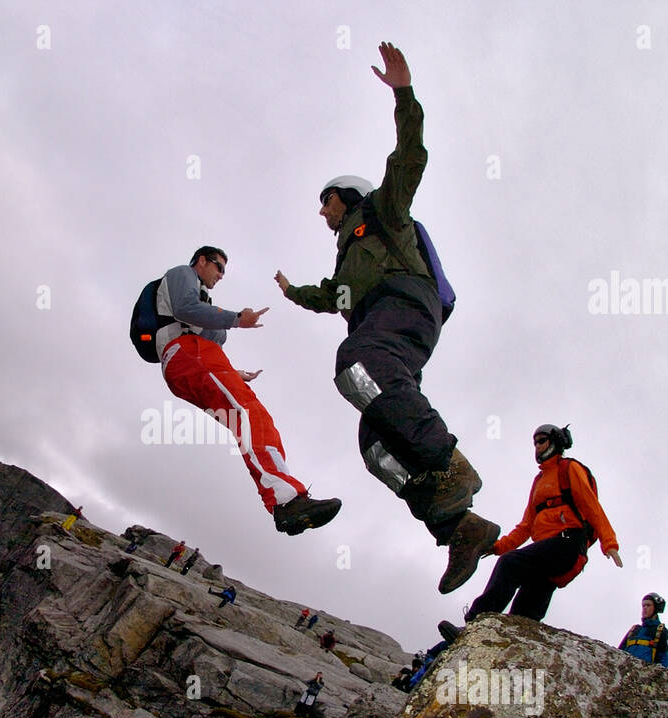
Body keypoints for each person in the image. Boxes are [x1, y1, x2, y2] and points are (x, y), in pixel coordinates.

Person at [272, 42, 498, 594]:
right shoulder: (347, 258)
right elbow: (332, 297)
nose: (321, 211)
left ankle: (449, 461)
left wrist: (404, 93)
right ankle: (458, 526)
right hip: (386, 328)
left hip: (407, 307)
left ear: (347, 196)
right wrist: (291, 292)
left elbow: (409, 156)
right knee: (375, 446)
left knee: (355, 364)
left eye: (326, 200)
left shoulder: (384, 213)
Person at [155, 246, 341, 535]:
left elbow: (213, 334)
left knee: (255, 419)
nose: (220, 275)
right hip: (187, 353)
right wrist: (238, 318)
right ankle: (286, 501)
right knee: (247, 414)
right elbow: (185, 309)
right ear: (201, 260)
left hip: (192, 359)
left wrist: (234, 372)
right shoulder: (183, 274)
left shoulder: (201, 297)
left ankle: (287, 498)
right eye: (218, 267)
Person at [441, 425, 621, 635]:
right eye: (534, 442)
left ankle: (474, 623)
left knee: (510, 564)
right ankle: (505, 642)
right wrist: (498, 547)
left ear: (556, 442)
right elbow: (526, 526)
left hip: (568, 542)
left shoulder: (569, 468)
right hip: (547, 552)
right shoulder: (539, 481)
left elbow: (591, 506)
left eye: (542, 440)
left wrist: (609, 543)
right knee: (523, 614)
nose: (536, 447)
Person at [618, 593, 668, 667]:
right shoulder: (634, 629)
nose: (645, 608)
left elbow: (664, 658)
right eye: (643, 606)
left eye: (648, 605)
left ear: (656, 608)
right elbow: (619, 652)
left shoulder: (660, 631)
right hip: (625, 671)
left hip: (645, 674)